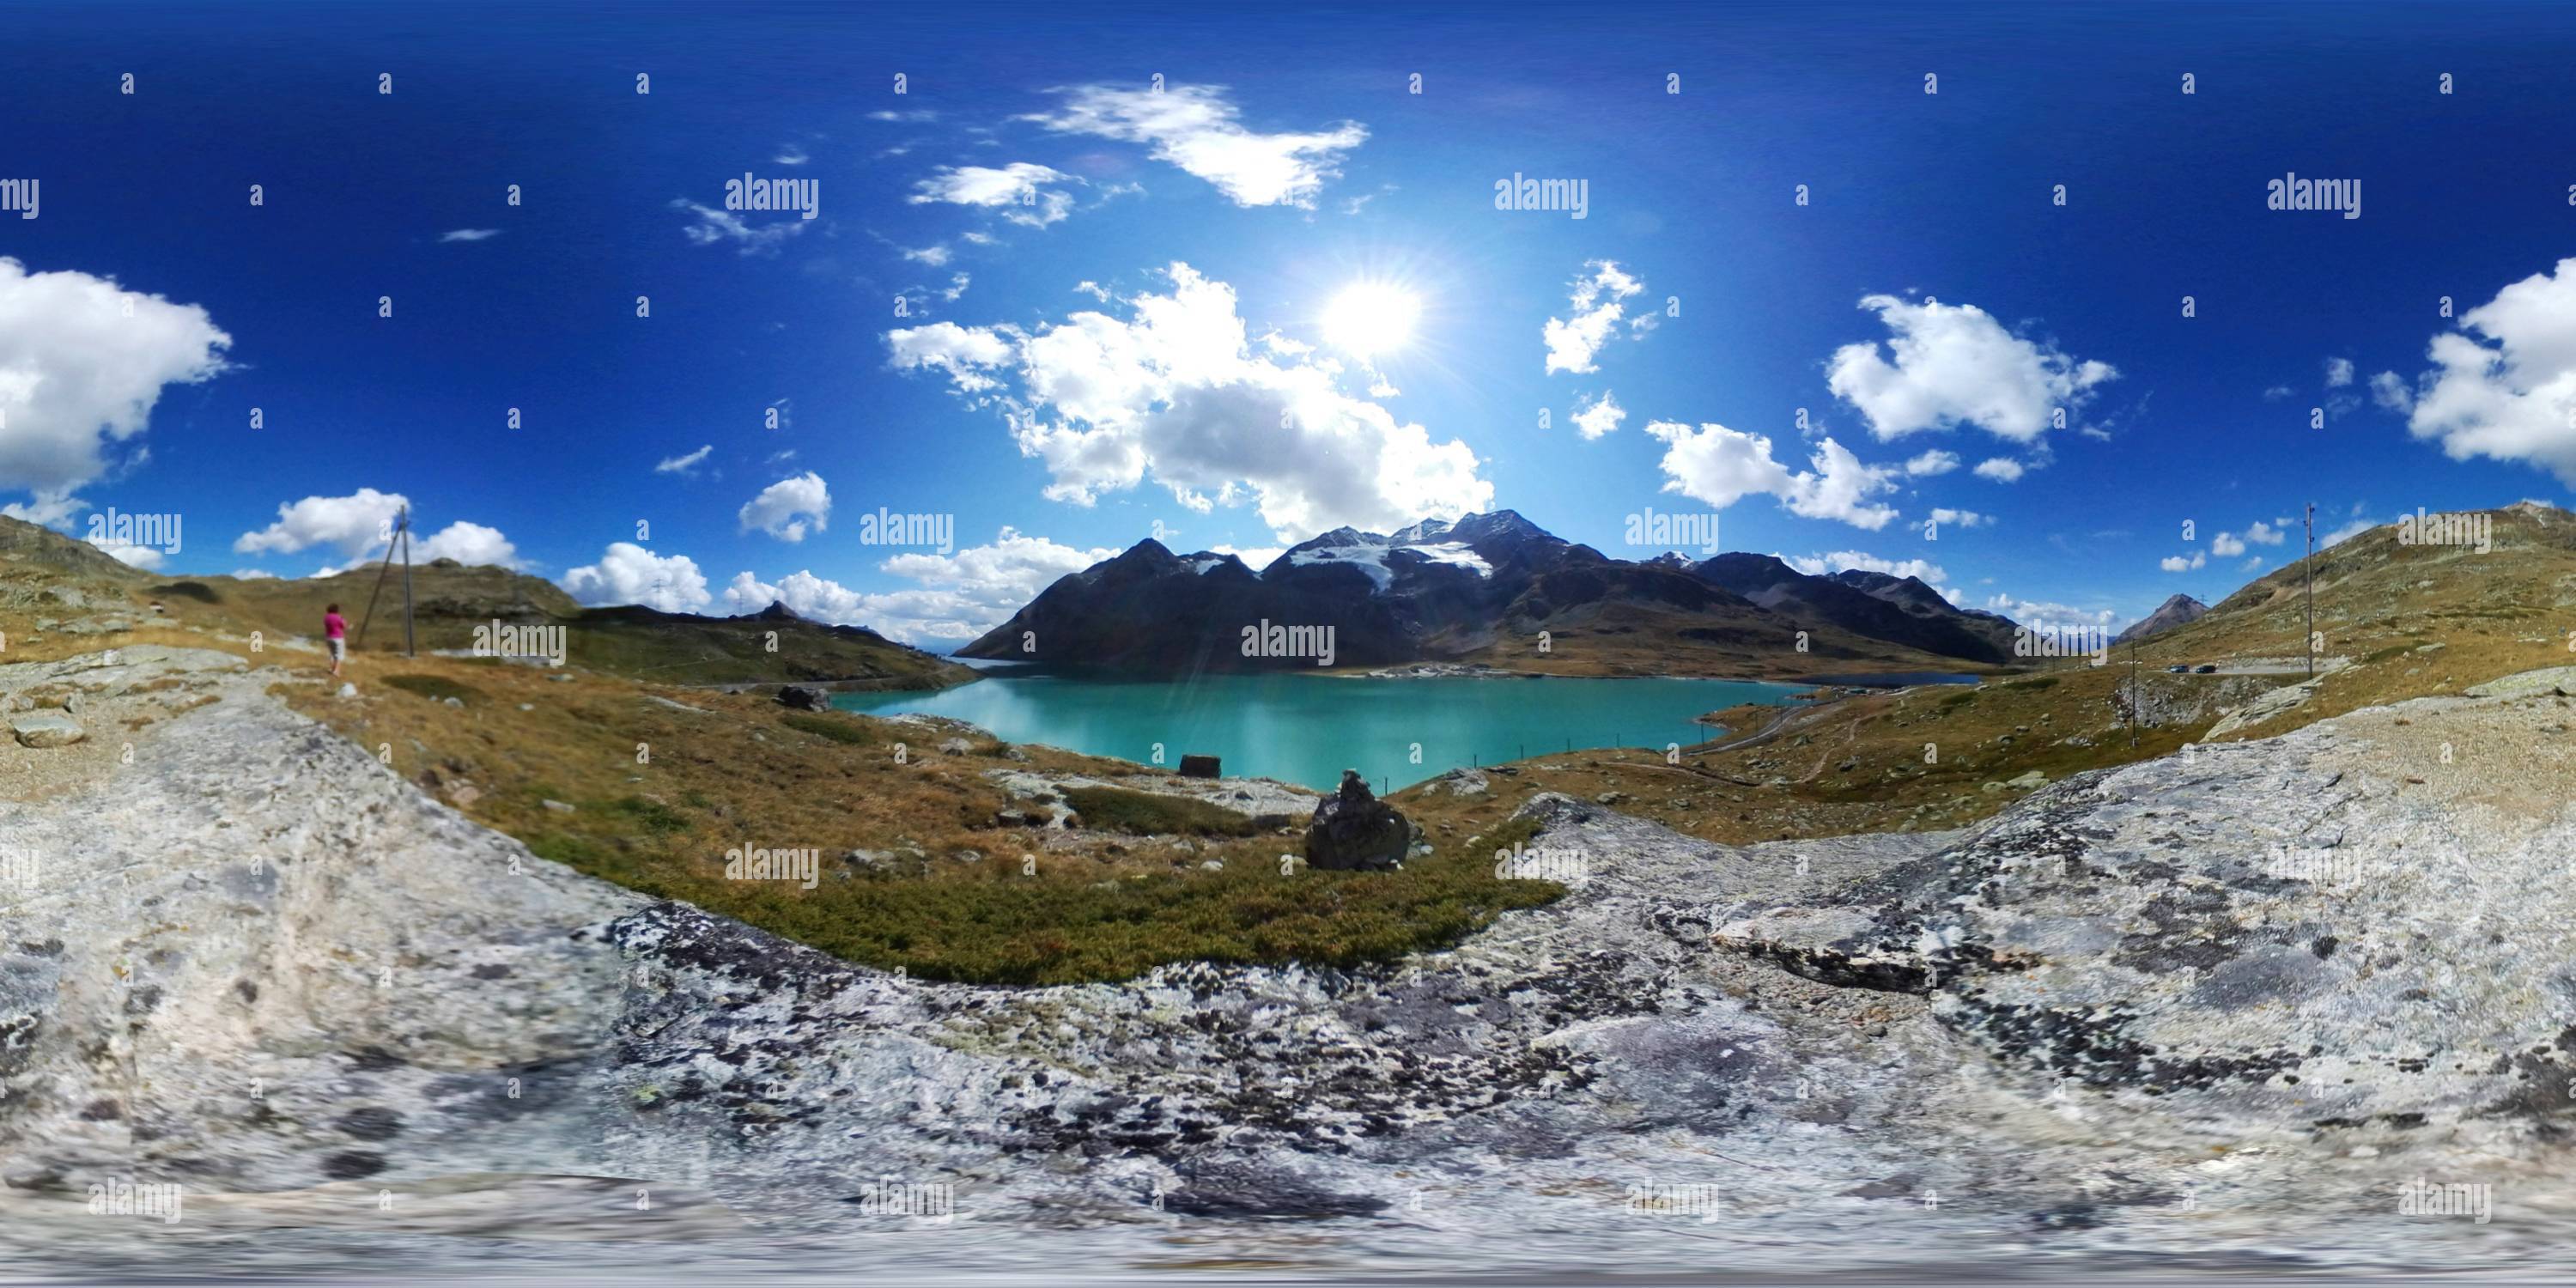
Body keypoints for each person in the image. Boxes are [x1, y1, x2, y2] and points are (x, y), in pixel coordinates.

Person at [324, 603, 348, 677]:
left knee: (332, 654)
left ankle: (332, 668)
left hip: (328, 637)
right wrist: (343, 619)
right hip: (338, 638)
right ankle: (336, 671)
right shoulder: (339, 617)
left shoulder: (326, 617)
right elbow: (344, 625)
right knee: (339, 655)